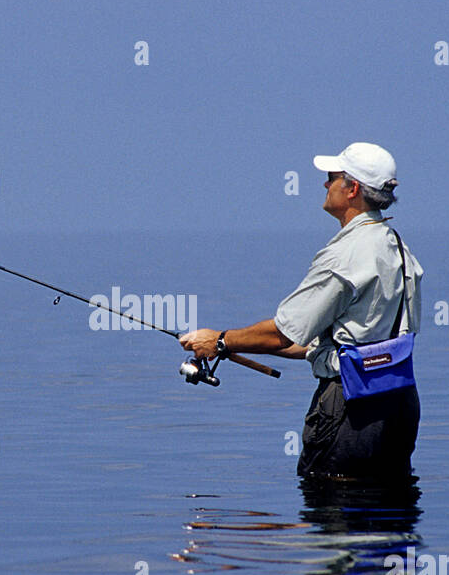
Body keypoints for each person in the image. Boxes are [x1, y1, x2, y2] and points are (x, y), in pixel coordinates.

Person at [179, 142, 423, 480]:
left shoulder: (345, 254)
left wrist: (219, 341)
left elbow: (283, 333)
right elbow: (342, 340)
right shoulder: (396, 246)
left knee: (331, 511)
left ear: (352, 189)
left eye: (330, 177)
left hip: (350, 405)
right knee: (391, 513)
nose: (324, 184)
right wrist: (232, 344)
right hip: (399, 403)